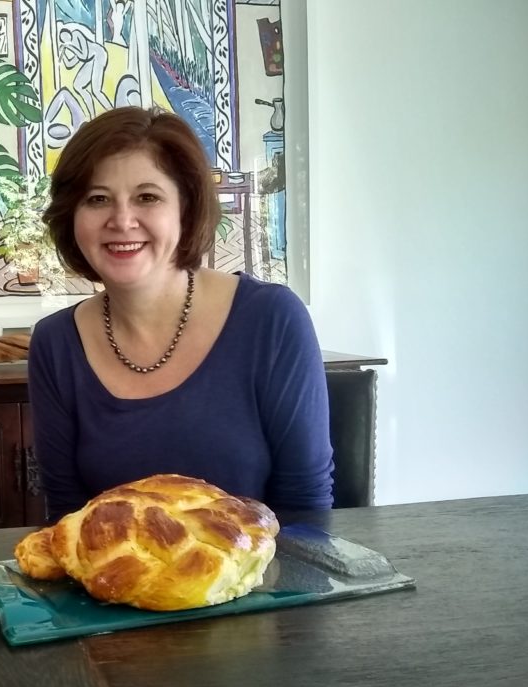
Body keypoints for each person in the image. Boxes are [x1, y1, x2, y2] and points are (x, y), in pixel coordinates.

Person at [30, 106, 333, 522]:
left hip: (260, 582)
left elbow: (306, 507)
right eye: (97, 199)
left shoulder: (272, 319)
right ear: (72, 216)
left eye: (147, 197)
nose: (121, 220)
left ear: (186, 210)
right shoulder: (54, 343)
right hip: (110, 585)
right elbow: (67, 517)